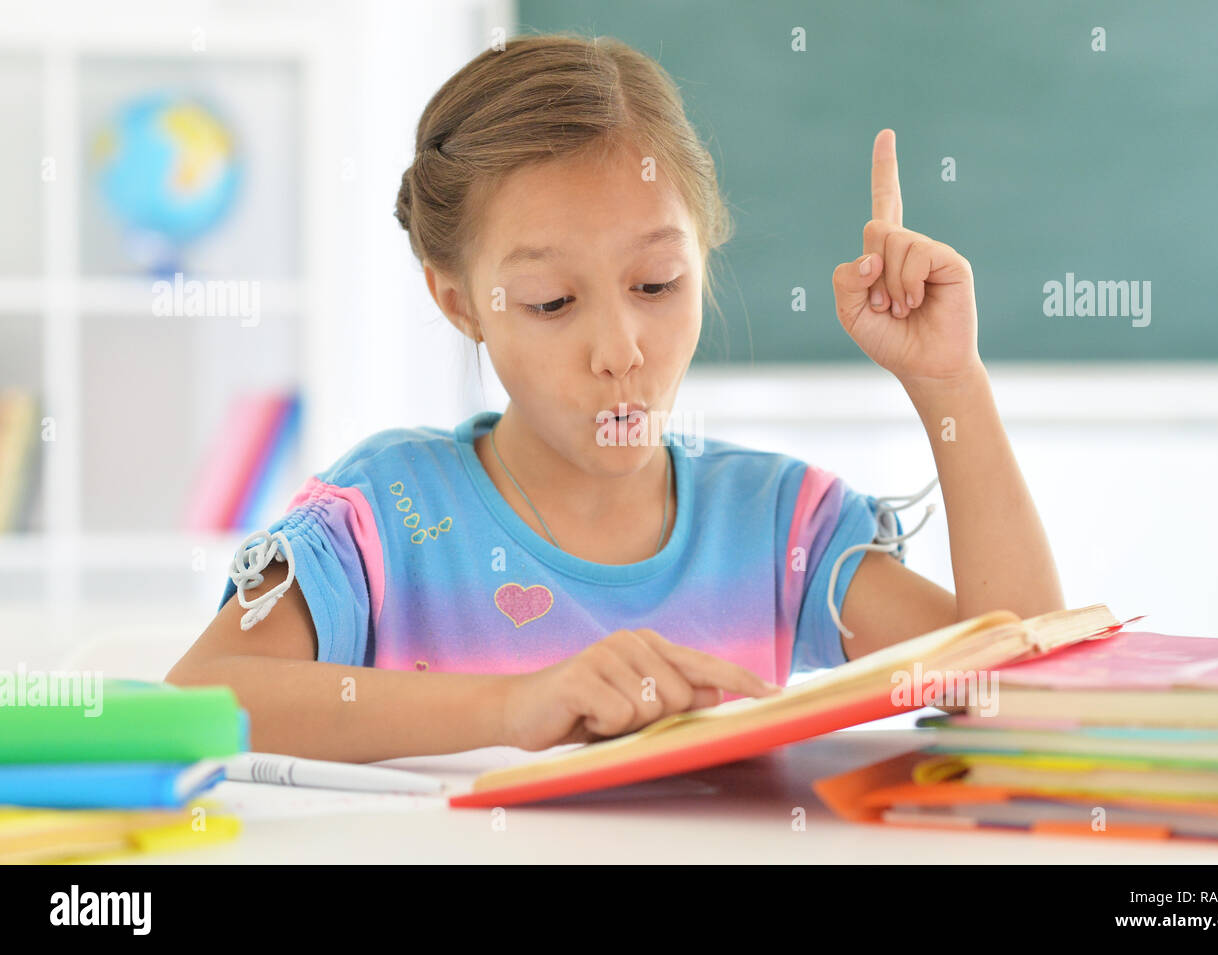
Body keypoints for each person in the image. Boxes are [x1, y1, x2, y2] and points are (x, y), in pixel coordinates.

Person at [167, 33, 1063, 763]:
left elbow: (1018, 689)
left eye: (658, 283)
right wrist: (518, 705)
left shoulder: (775, 527)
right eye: (554, 302)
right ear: (457, 299)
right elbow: (201, 700)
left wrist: (949, 384)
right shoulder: (387, 516)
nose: (620, 352)